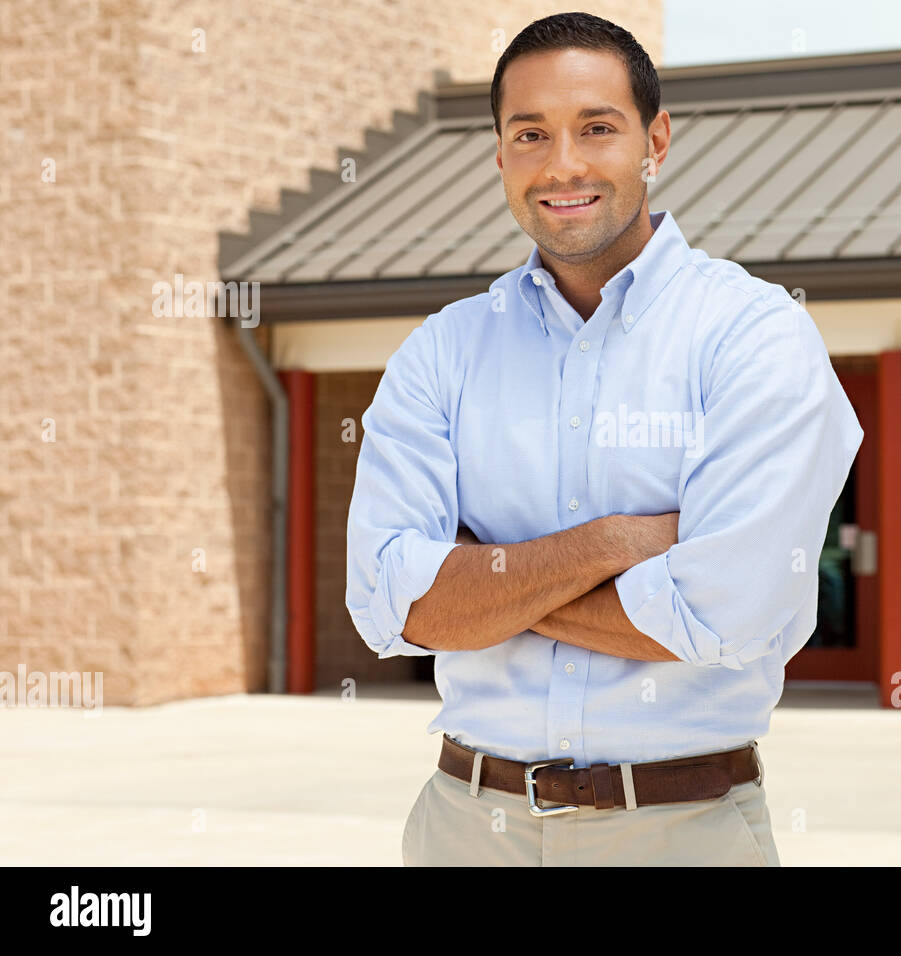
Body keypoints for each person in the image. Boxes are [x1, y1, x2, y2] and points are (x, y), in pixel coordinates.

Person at [345, 10, 863, 866]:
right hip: (467, 828)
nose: (564, 165)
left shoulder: (755, 336)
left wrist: (491, 583)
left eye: (597, 128)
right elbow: (391, 603)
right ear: (500, 156)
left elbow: (728, 612)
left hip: (679, 830)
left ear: (655, 141)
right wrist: (618, 542)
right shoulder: (444, 350)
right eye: (531, 134)